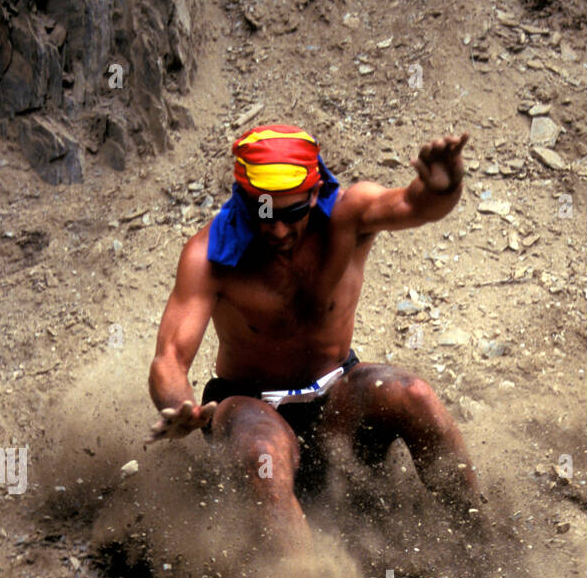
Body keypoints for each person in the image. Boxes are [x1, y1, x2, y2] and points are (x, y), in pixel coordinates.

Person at [148, 123, 480, 551]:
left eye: (292, 214)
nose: (279, 230)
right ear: (244, 199)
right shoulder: (207, 255)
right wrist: (180, 405)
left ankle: (481, 540)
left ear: (314, 193)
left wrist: (443, 187)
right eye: (264, 213)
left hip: (335, 398)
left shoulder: (348, 216)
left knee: (411, 392)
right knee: (263, 453)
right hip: (250, 406)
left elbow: (413, 205)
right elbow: (169, 359)